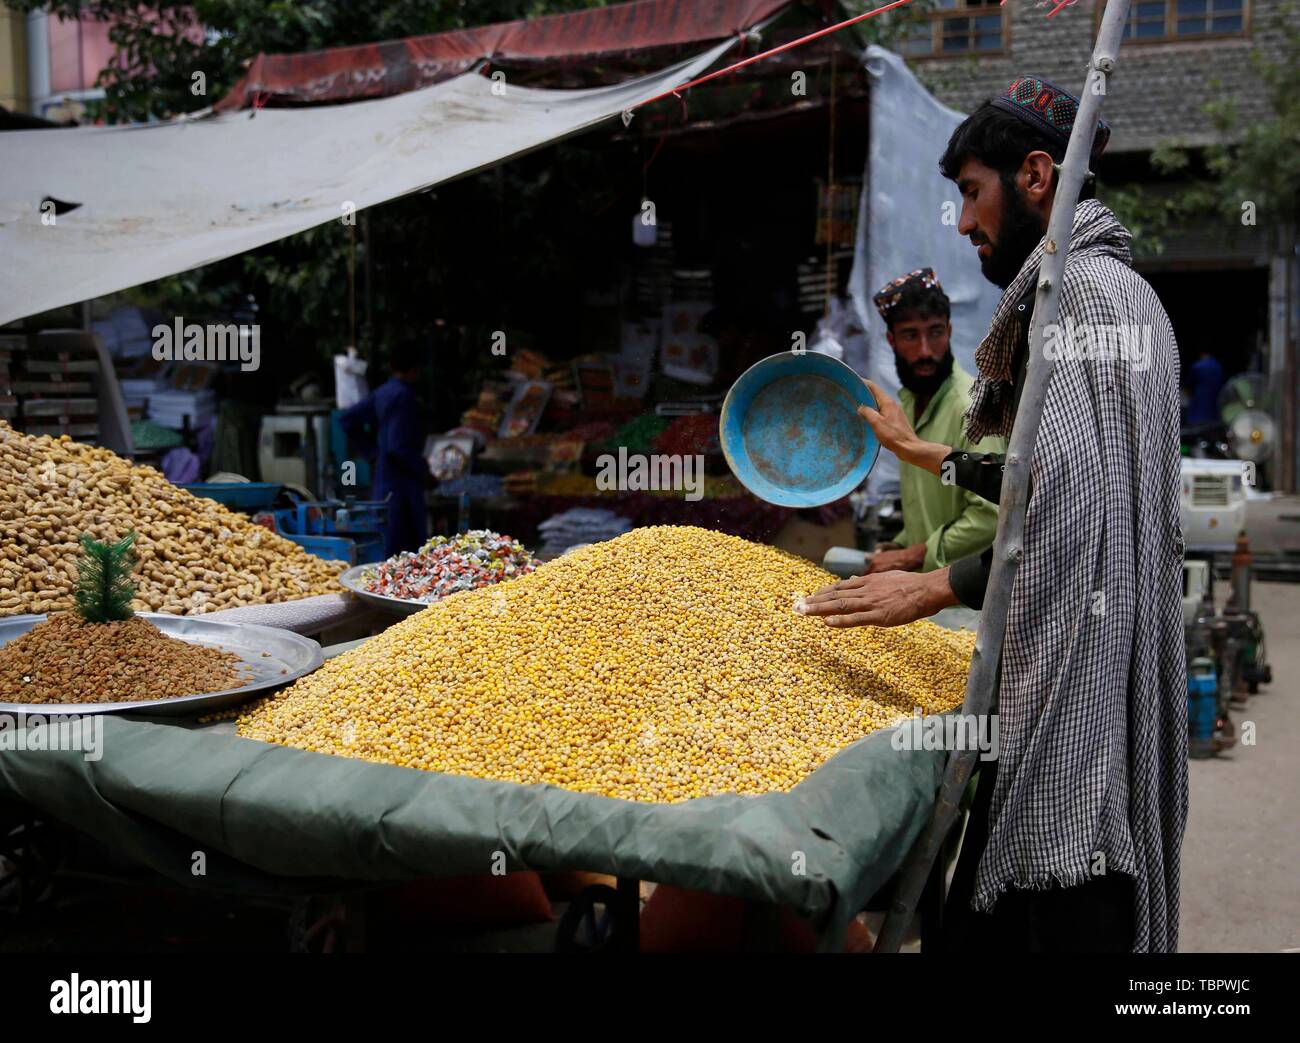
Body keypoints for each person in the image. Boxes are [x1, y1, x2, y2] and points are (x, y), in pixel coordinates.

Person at [797, 76, 1187, 953]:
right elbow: (1039, 478)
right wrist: (925, 472)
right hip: (1101, 673)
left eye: (973, 193)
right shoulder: (1126, 296)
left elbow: (1075, 512)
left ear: (1037, 177)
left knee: (1043, 893)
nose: (967, 223)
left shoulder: (1082, 299)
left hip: (1073, 707)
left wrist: (938, 581)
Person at [867, 268, 1004, 575]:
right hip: (924, 594)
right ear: (891, 340)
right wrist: (899, 547)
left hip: (963, 603)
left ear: (950, 331)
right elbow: (930, 513)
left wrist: (914, 556)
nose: (925, 351)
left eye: (935, 332)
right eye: (910, 336)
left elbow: (991, 515)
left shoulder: (972, 408)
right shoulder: (909, 404)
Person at [340, 339, 429, 557]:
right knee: (405, 552)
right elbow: (398, 447)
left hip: (384, 480)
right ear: (416, 369)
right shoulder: (404, 396)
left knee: (385, 548)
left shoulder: (384, 392)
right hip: (402, 485)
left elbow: (347, 420)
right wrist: (424, 471)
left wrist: (371, 452)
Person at [1184, 349, 1225, 426]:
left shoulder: (1197, 367)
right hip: (1215, 412)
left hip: (1197, 411)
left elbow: (1188, 387)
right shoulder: (1218, 366)